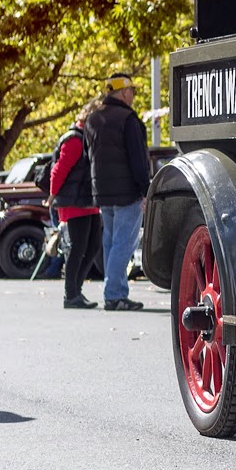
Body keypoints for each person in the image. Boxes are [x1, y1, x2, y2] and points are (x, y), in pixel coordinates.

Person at [85, 72, 150, 311]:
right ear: (124, 92)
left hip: (102, 192)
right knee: (124, 243)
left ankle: (114, 290)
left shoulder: (92, 119)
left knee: (111, 242)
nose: (133, 95)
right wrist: (146, 189)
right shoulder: (128, 119)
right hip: (126, 192)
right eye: (131, 91)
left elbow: (87, 156)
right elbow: (138, 159)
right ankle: (114, 294)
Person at [52, 100, 104, 310]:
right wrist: (52, 195)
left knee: (92, 246)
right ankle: (70, 293)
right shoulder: (74, 139)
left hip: (87, 200)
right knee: (78, 247)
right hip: (73, 201)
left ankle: (76, 289)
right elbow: (59, 170)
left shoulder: (88, 138)